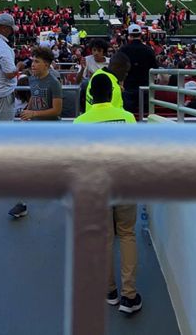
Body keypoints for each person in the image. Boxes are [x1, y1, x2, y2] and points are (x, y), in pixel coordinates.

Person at [74, 72, 142, 315]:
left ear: (91, 95)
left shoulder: (80, 122)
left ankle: (109, 291)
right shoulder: (127, 117)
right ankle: (129, 295)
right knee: (126, 234)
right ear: (113, 93)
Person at [9, 46, 63, 220]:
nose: (33, 64)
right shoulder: (33, 79)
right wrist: (28, 110)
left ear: (46, 64)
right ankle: (22, 203)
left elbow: (56, 110)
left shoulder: (54, 83)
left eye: (37, 62)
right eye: (33, 61)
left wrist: (34, 113)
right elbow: (34, 96)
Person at [119, 24, 158, 117]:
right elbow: (155, 69)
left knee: (129, 116)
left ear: (129, 35)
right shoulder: (148, 50)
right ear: (140, 35)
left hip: (128, 87)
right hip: (145, 87)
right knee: (146, 116)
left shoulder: (123, 50)